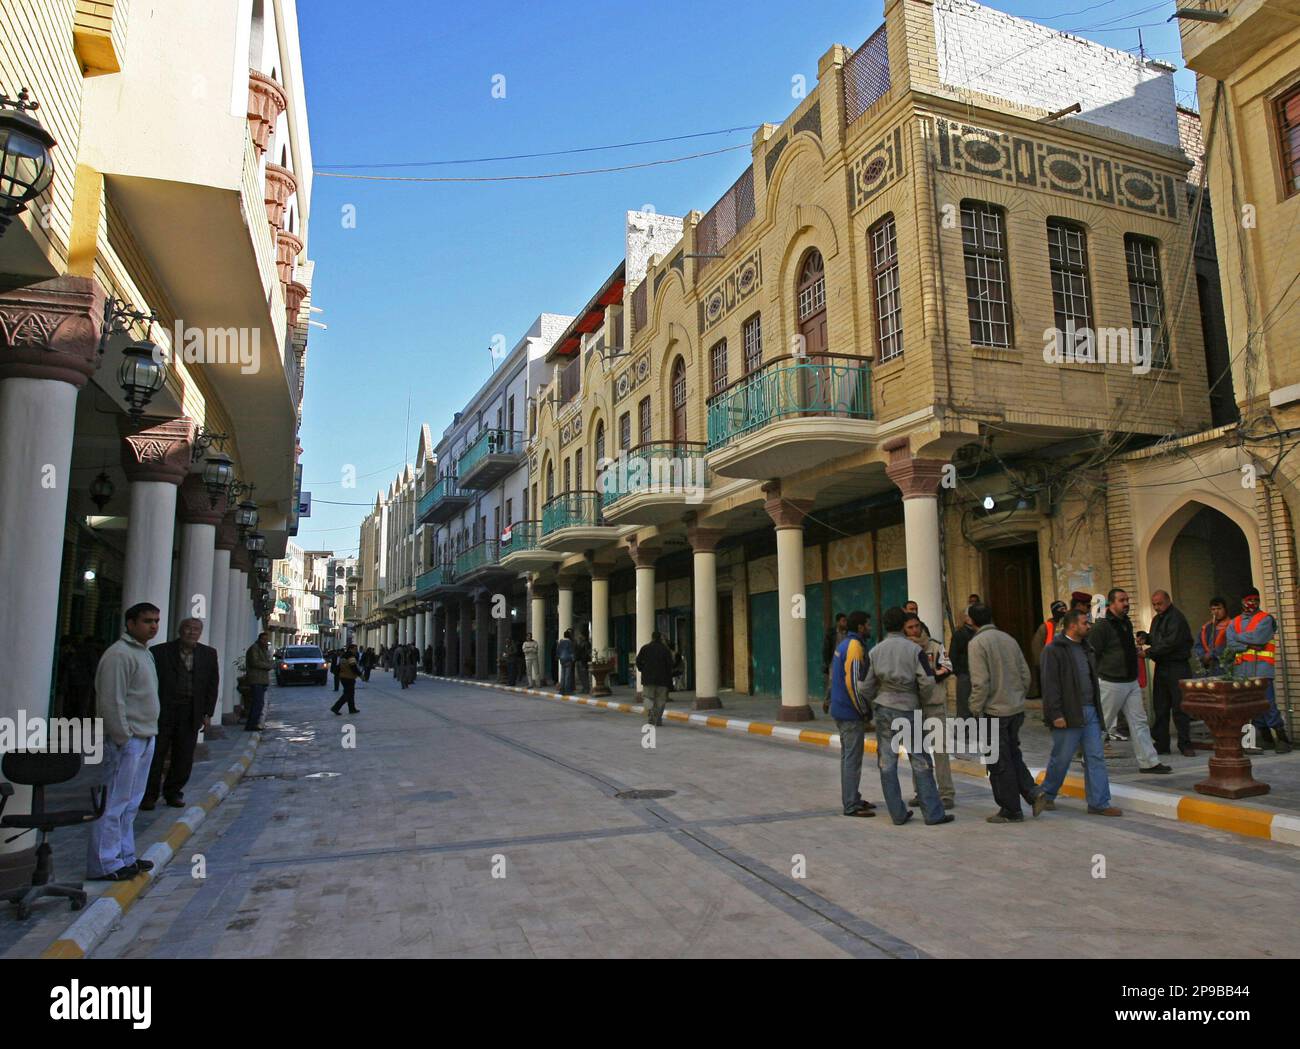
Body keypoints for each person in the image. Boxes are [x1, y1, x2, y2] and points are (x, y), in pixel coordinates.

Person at [87, 603, 162, 881]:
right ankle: (104, 862)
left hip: (144, 736)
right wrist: (122, 736)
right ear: (130, 624)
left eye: (155, 621)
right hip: (127, 740)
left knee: (131, 801)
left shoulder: (143, 654)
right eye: (146, 621)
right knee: (114, 801)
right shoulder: (119, 655)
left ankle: (125, 855)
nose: (153, 626)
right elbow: (111, 700)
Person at [860, 606, 953, 827]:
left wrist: (875, 700)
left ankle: (898, 814)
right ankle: (932, 813)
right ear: (903, 625)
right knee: (920, 760)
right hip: (909, 708)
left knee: (887, 762)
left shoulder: (875, 651)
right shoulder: (914, 651)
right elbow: (928, 682)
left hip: (884, 708)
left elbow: (864, 686)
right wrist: (918, 698)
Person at [965, 603, 1044, 823]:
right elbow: (1025, 674)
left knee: (998, 761)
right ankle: (1032, 791)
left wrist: (975, 708)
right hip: (1015, 709)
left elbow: (980, 683)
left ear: (972, 621)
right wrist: (1018, 697)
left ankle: (1010, 809)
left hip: (994, 711)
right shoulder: (1009, 639)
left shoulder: (977, 643)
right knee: (1012, 754)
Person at [1039, 608, 1122, 816]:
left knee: (1095, 756)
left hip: (1090, 711)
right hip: (1068, 713)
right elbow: (1050, 685)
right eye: (1085, 623)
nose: (1088, 626)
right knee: (1062, 757)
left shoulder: (1087, 648)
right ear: (1073, 625)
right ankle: (1047, 794)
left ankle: (1099, 802)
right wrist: (1056, 714)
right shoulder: (1054, 649)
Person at [1088, 589, 1169, 773]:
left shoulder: (1126, 622)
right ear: (1111, 603)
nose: (1126, 603)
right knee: (1104, 724)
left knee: (1139, 722)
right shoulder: (1102, 626)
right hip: (1110, 681)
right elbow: (1092, 654)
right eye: (1121, 600)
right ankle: (1089, 757)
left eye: (1127, 600)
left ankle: (1149, 762)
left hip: (1130, 681)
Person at [142, 617, 219, 811]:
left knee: (183, 755)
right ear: (179, 630)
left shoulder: (208, 654)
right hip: (163, 711)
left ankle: (173, 792)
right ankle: (148, 795)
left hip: (190, 711)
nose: (191, 632)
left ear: (200, 633)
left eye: (196, 629)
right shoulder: (159, 652)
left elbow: (212, 685)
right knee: (155, 754)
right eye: (187, 628)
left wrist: (207, 713)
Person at [1226, 587, 1292, 753]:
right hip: (1242, 671)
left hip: (1262, 669)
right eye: (1249, 600)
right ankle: (1266, 739)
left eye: (1255, 600)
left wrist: (1240, 640)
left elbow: (1260, 639)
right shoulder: (1235, 622)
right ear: (1242, 601)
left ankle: (1282, 738)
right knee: (1252, 706)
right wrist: (1249, 643)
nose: (1253, 603)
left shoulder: (1266, 619)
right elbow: (1230, 644)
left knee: (1268, 704)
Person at [903, 613, 955, 809]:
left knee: (940, 750)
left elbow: (947, 668)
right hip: (913, 707)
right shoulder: (903, 649)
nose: (915, 630)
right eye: (910, 627)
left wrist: (927, 676)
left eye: (917, 626)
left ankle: (946, 793)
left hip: (934, 705)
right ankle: (921, 791)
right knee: (917, 751)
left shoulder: (935, 646)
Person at [828, 610, 876, 817]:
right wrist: (863, 710)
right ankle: (851, 804)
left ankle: (853, 797)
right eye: (868, 624)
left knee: (847, 757)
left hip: (840, 709)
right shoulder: (855, 647)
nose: (870, 628)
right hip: (850, 712)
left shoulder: (844, 644)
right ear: (860, 628)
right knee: (852, 759)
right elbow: (853, 684)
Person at [1144, 589, 1195, 757]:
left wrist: (1149, 652)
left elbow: (1170, 643)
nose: (1157, 607)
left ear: (1168, 601)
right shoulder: (1157, 620)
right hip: (1162, 666)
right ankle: (1162, 743)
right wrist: (1145, 638)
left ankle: (1185, 743)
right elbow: (1156, 639)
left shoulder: (1176, 618)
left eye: (1159, 604)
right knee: (1161, 706)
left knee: (1180, 707)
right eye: (1154, 604)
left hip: (1177, 666)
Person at [636, 631, 675, 727]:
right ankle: (658, 719)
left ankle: (651, 712)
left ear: (652, 637)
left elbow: (638, 661)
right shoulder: (665, 650)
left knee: (648, 697)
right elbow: (670, 664)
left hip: (648, 678)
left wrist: (642, 669)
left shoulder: (645, 648)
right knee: (660, 700)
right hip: (663, 679)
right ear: (660, 638)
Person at [949, 607, 977, 718]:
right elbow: (953, 656)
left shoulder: (979, 633)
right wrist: (960, 672)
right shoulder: (959, 634)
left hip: (978, 674)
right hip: (965, 673)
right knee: (964, 707)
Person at [1194, 597, 1230, 678]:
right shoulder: (1206, 627)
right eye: (1213, 609)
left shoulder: (1231, 626)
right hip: (1208, 667)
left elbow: (1229, 646)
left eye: (1219, 609)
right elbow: (1198, 645)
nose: (1216, 612)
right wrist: (1203, 656)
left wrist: (1211, 654)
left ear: (1225, 609)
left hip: (1224, 667)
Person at [244, 632, 272, 731]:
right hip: (256, 679)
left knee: (259, 703)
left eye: (266, 640)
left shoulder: (263, 649)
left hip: (261, 679)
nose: (265, 642)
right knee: (257, 703)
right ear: (259, 639)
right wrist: (268, 665)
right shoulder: (254, 648)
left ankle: (254, 723)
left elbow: (267, 660)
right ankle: (251, 724)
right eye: (263, 639)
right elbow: (255, 662)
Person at [822, 612, 849, 715]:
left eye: (846, 621)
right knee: (833, 683)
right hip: (834, 662)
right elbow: (826, 648)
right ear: (838, 622)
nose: (845, 623)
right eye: (843, 621)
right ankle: (827, 702)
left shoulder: (848, 633)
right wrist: (826, 662)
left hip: (846, 661)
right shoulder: (831, 633)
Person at [331, 643, 361, 715]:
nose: (356, 650)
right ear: (350, 649)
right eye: (355, 649)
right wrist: (360, 675)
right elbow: (353, 667)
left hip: (343, 677)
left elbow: (339, 666)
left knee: (350, 693)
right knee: (348, 694)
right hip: (349, 677)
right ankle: (336, 707)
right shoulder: (351, 656)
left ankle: (352, 709)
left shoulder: (343, 656)